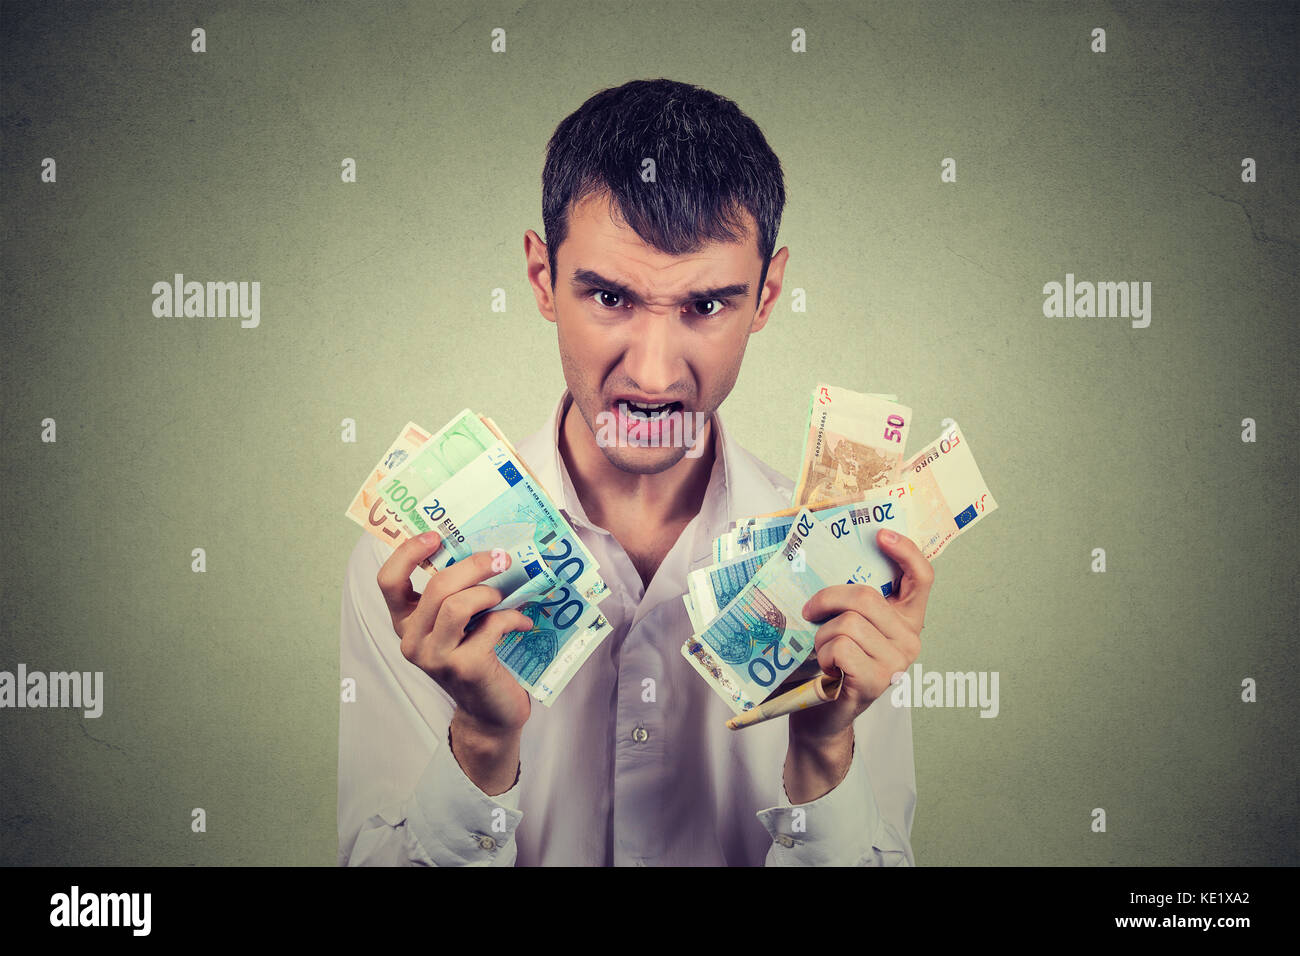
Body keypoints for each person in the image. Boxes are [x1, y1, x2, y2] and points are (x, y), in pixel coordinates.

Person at [338, 78, 934, 866]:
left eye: (708, 305)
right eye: (611, 296)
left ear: (767, 294)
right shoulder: (413, 570)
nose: (652, 376)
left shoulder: (852, 565)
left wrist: (823, 753)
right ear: (543, 278)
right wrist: (481, 741)